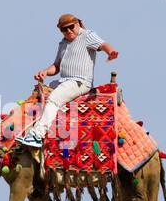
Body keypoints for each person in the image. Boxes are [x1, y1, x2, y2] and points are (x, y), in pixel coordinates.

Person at [16, 14, 118, 147]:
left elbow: (103, 44)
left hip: (80, 82)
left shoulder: (87, 35)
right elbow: (56, 66)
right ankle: (23, 128)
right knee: (40, 93)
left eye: (71, 27)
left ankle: (37, 135)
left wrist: (110, 52)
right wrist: (45, 72)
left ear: (77, 24)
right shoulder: (63, 43)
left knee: (53, 99)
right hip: (64, 81)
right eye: (64, 29)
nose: (69, 31)